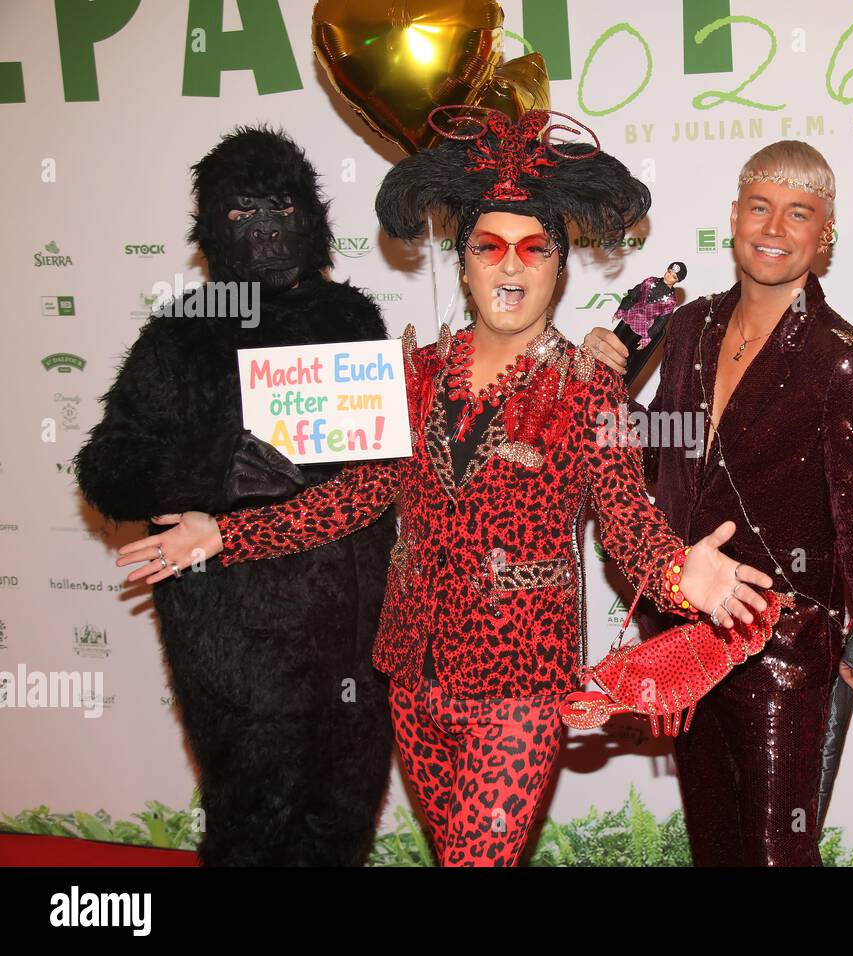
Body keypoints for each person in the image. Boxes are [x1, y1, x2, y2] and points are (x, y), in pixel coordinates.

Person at [117, 108, 775, 867]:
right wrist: (225, 533)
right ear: (463, 266)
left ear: (559, 269)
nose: (511, 267)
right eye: (489, 248)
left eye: (535, 250)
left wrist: (673, 570)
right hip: (412, 672)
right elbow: (352, 499)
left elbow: (626, 517)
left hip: (520, 682)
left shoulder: (587, 390)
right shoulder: (413, 374)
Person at [584, 140, 853, 866]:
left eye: (798, 213)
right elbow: (662, 456)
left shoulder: (844, 358)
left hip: (782, 651)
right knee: (716, 852)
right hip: (687, 640)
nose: (774, 228)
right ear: (733, 217)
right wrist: (598, 388)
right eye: (761, 208)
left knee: (775, 856)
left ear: (823, 235)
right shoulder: (689, 327)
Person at [75, 127, 395, 866]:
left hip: (355, 635)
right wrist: (217, 468)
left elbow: (382, 469)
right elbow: (107, 468)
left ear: (311, 218)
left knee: (342, 818)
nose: (265, 229)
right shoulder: (181, 334)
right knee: (253, 821)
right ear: (211, 228)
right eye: (241, 212)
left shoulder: (352, 319)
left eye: (281, 206)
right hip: (238, 640)